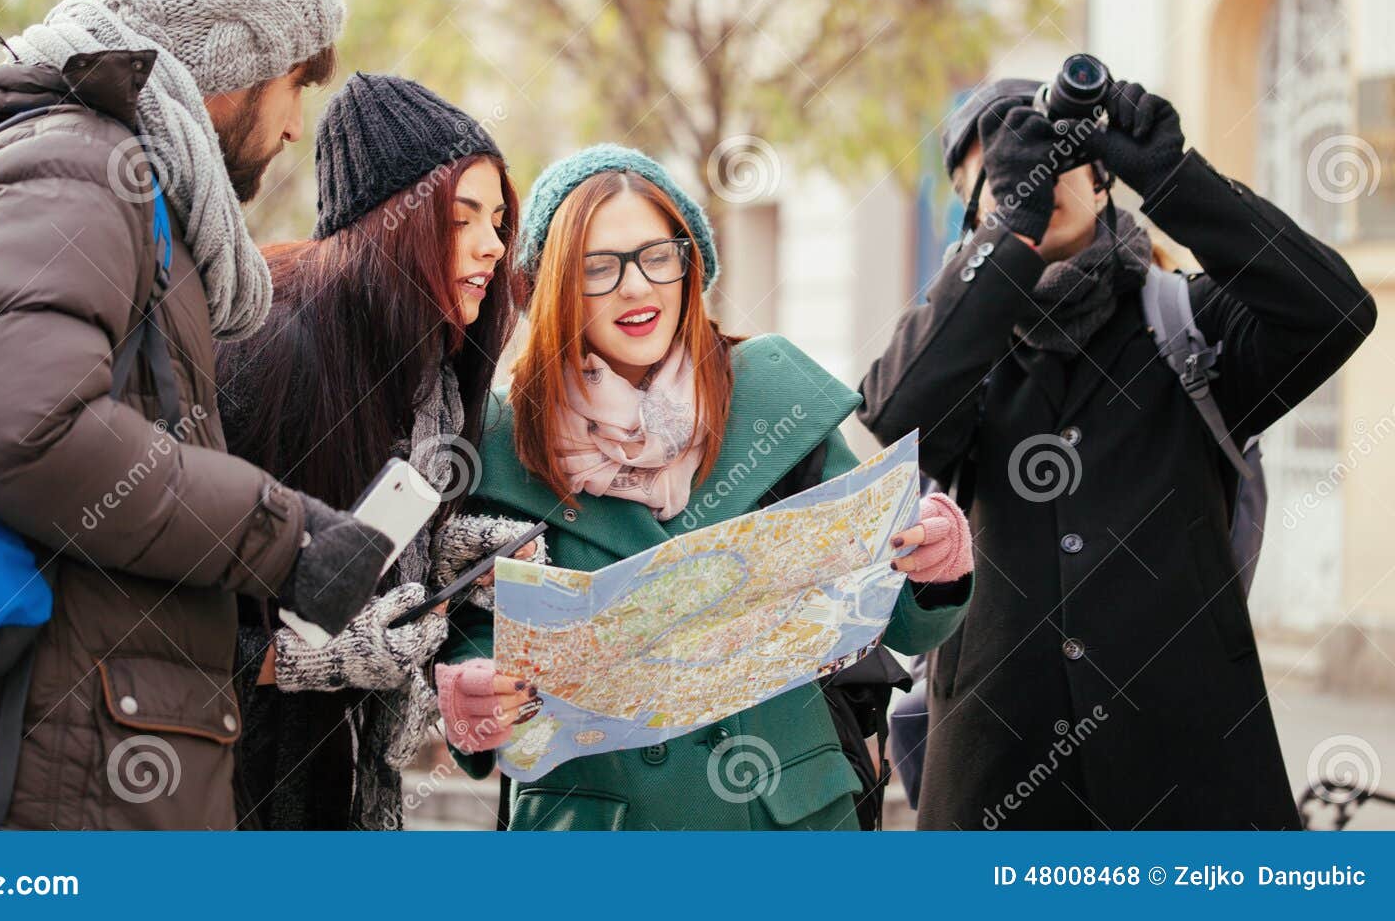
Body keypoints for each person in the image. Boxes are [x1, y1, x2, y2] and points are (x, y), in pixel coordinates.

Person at [0, 0, 394, 829]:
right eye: (294, 84)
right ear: (232, 62)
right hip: (36, 798)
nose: (295, 126)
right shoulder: (78, 164)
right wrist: (287, 536)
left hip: (66, 771)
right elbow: (20, 429)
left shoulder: (113, 177)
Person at [858, 77, 1377, 829]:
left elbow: (1333, 310)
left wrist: (1174, 176)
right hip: (997, 779)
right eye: (1003, 173)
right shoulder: (959, 353)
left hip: (1190, 774)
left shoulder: (1188, 325)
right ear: (975, 216)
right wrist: (1012, 235)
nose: (1036, 178)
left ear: (1102, 180)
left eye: (1055, 155)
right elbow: (891, 415)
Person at [437, 145, 974, 830]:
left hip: (790, 824)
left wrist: (936, 560)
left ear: (689, 265)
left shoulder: (771, 395)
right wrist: (472, 691)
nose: (637, 287)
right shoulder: (497, 443)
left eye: (657, 256)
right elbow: (473, 633)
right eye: (598, 267)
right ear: (551, 287)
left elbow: (899, 617)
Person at [217, 74, 541, 830]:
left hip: (357, 799)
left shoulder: (437, 386)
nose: (494, 246)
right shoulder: (267, 353)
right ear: (390, 229)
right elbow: (140, 630)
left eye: (499, 220)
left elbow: (350, 560)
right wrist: (301, 659)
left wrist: (438, 558)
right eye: (462, 219)